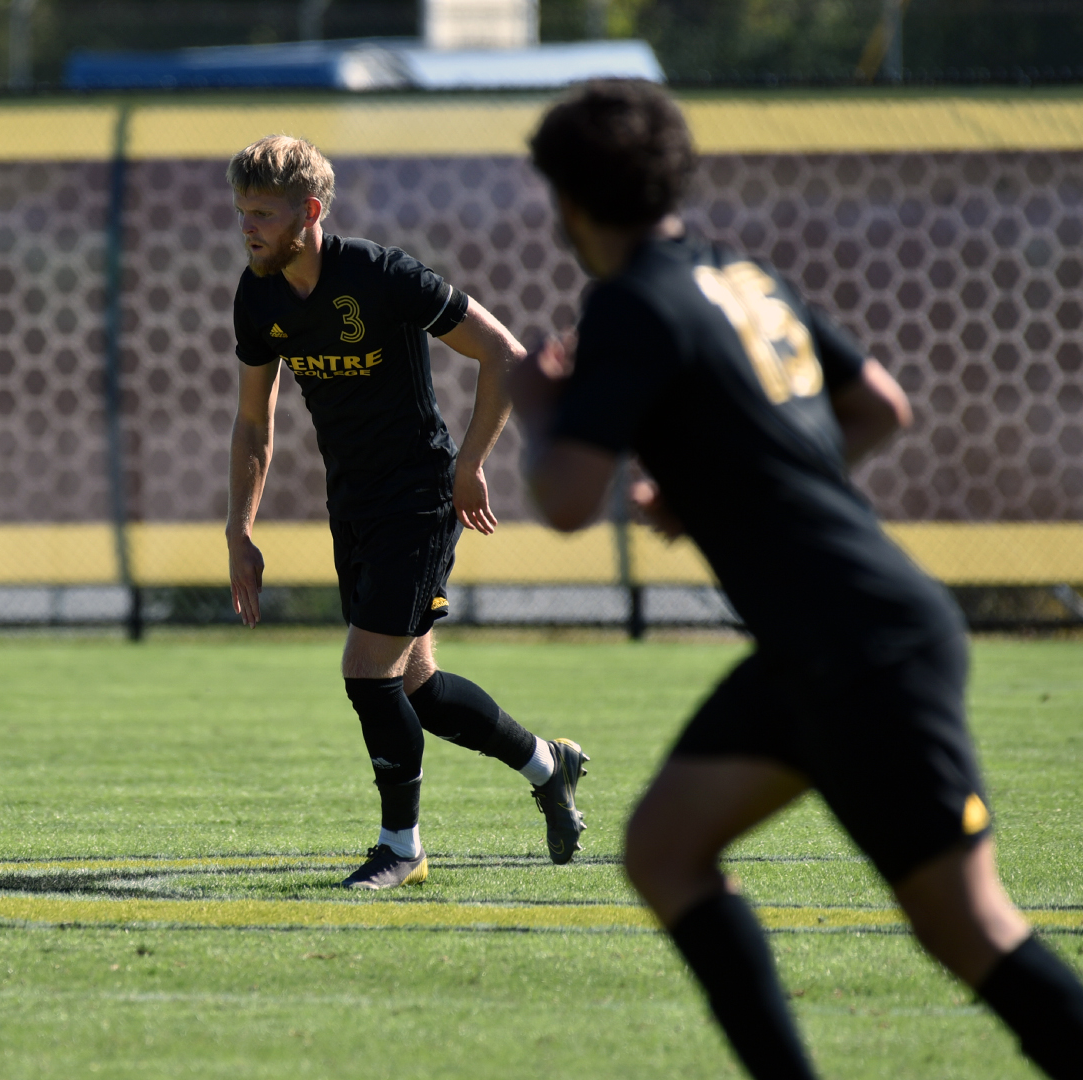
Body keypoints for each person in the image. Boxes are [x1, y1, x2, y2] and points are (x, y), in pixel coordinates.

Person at [512, 79, 1083, 1079]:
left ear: (569, 200)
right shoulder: (739, 275)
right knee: (662, 849)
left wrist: (533, 404)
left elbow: (565, 501)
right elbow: (880, 408)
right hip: (822, 641)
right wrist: (717, 487)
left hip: (860, 644)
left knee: (970, 928)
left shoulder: (630, 303)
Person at [224, 134, 590, 891]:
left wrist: (469, 467)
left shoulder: (381, 276)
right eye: (241, 213)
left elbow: (503, 353)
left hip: (419, 497)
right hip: (351, 501)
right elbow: (254, 423)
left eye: (262, 212)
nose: (248, 227)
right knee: (416, 686)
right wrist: (239, 529)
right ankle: (548, 765)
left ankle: (402, 848)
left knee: (366, 671)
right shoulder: (257, 296)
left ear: (310, 212)